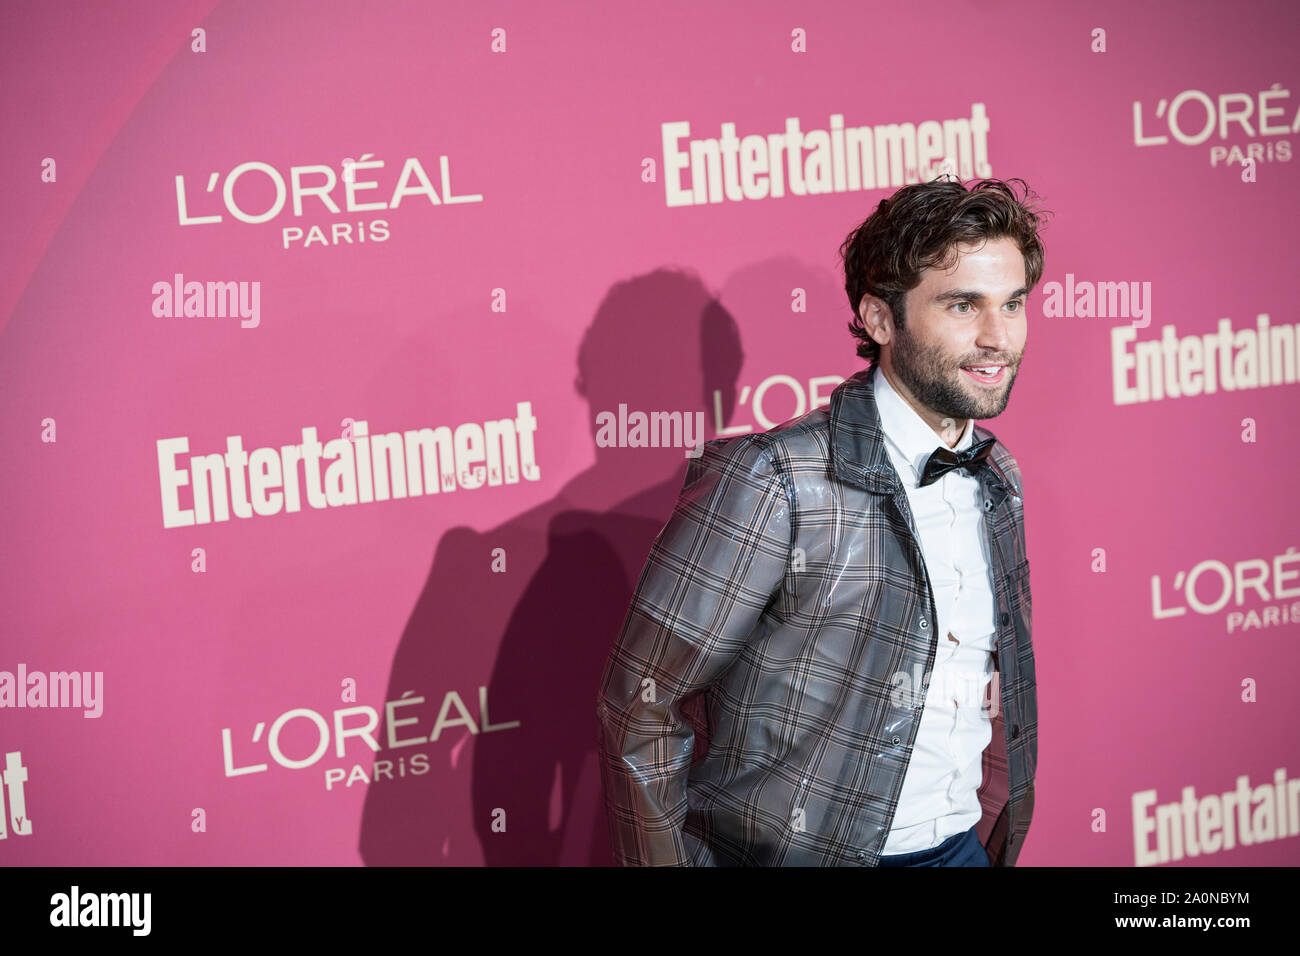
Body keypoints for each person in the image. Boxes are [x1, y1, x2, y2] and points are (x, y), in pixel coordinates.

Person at [595, 177, 1045, 866]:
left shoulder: (996, 476)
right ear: (879, 318)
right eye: (963, 305)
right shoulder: (777, 479)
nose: (997, 337)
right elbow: (642, 703)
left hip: (959, 850)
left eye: (1012, 304)